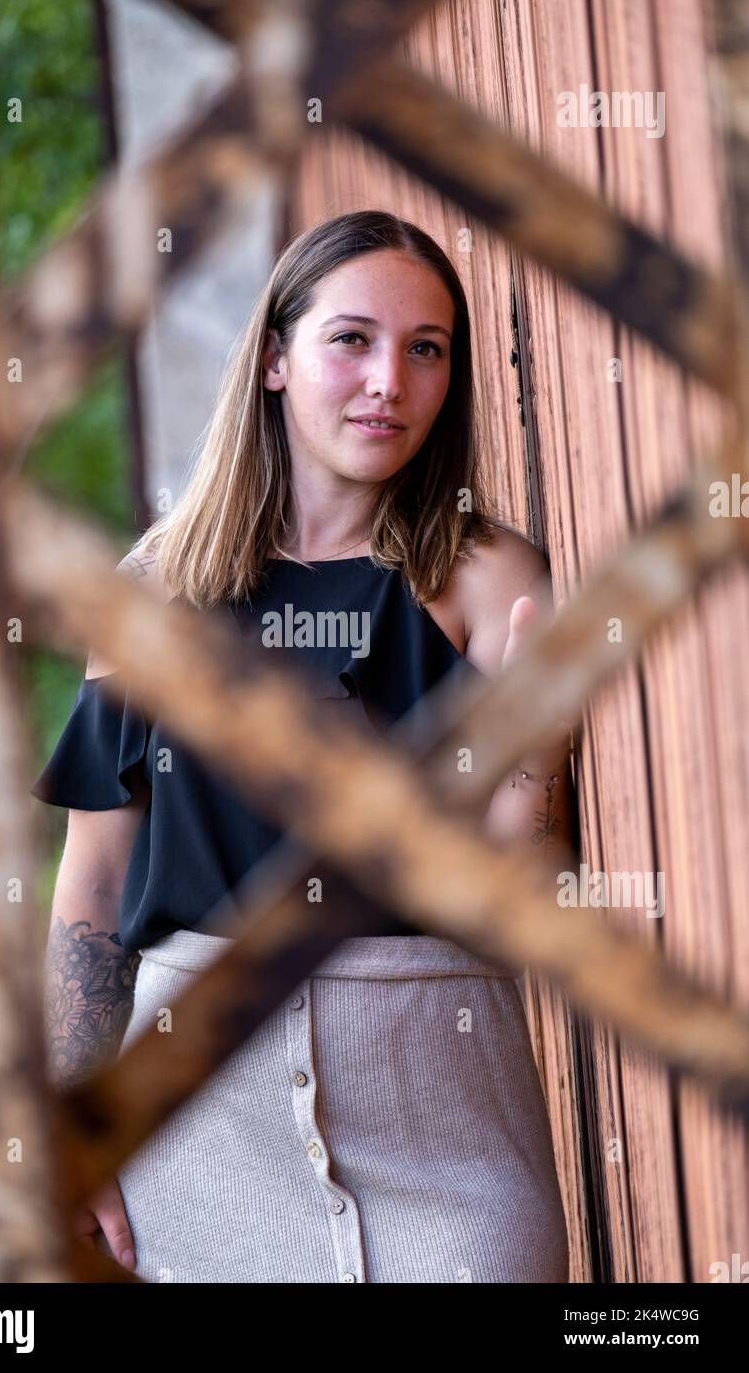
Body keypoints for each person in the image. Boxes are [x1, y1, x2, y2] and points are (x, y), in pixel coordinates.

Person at [32, 209, 572, 1283]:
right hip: (201, 1139)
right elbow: (90, 889)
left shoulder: (485, 578)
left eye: (426, 349)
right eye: (352, 340)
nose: (389, 381)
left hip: (443, 1118)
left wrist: (529, 752)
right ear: (274, 358)